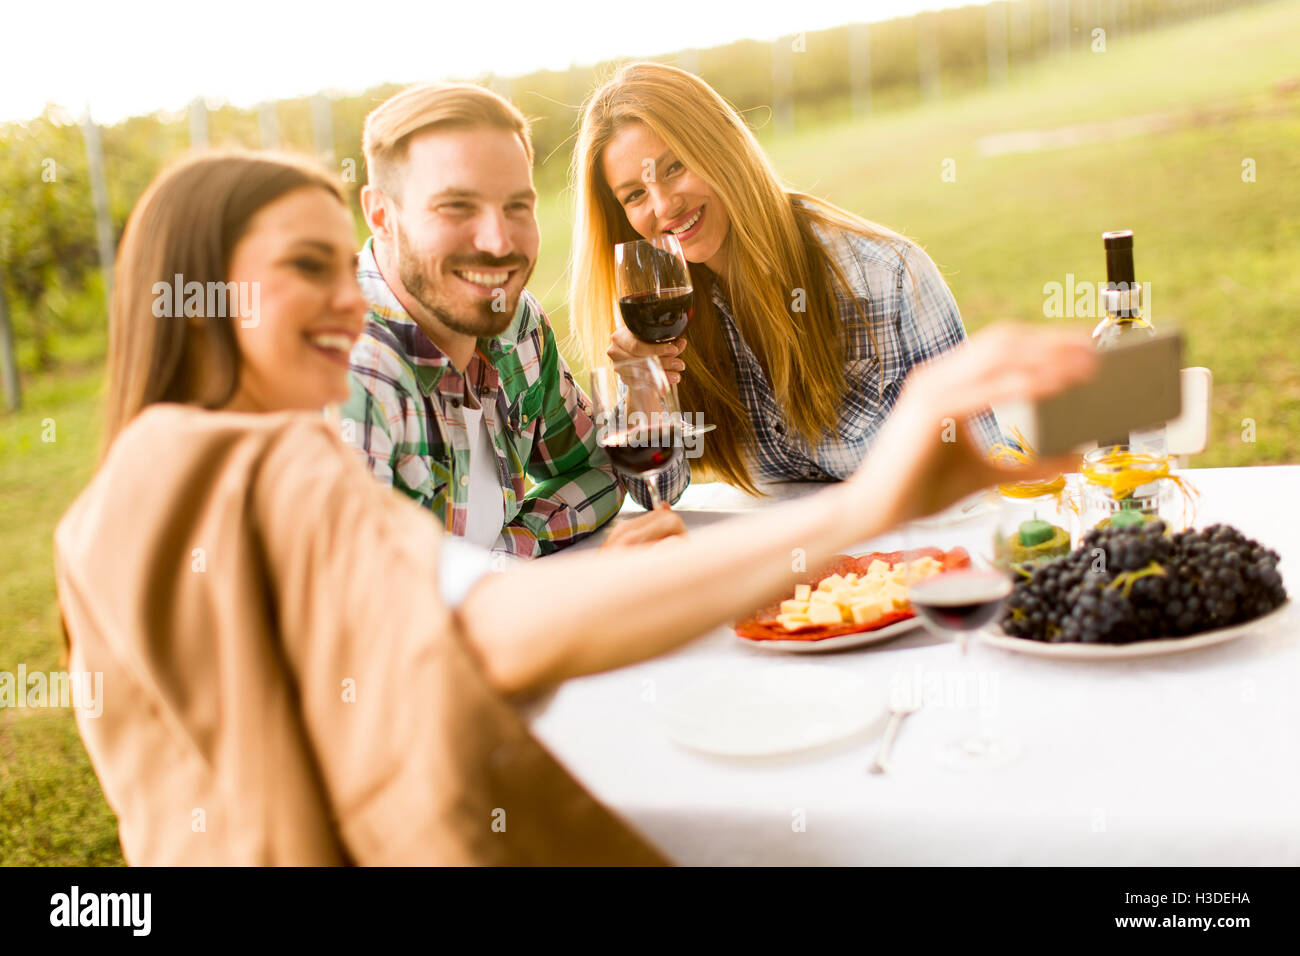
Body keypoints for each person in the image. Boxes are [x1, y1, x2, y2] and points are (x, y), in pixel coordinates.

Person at [54, 151, 1095, 865]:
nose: (345, 300)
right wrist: (864, 506)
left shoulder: (123, 497)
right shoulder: (252, 469)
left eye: (343, 266)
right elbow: (487, 631)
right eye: (303, 267)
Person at [570, 61, 1008, 509]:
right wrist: (644, 388)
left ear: (721, 147)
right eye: (635, 195)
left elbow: (988, 471)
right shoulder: (667, 318)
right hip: (801, 565)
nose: (664, 205)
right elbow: (657, 493)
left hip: (921, 553)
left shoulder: (889, 277)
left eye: (675, 166)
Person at [342, 82, 681, 555]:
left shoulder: (515, 324)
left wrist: (511, 548)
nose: (498, 243)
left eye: (517, 206)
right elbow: (370, 618)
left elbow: (602, 469)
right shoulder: (344, 375)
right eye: (457, 206)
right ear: (381, 215)